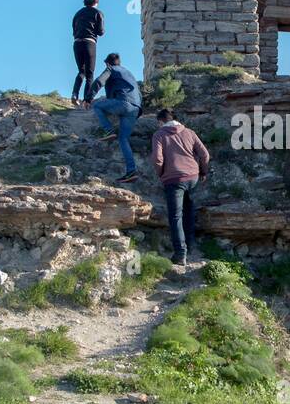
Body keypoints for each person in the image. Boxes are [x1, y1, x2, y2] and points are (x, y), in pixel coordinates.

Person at [150, 107, 209, 265]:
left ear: (161, 121)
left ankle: (180, 254)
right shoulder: (189, 132)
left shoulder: (159, 134)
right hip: (193, 177)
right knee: (189, 212)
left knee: (175, 216)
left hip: (174, 180)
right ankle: (190, 246)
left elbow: (157, 159)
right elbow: (204, 155)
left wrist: (162, 174)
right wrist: (203, 172)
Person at [86, 52, 142, 183]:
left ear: (107, 63)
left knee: (97, 106)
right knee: (123, 139)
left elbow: (99, 81)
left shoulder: (111, 69)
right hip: (136, 108)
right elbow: (138, 92)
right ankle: (131, 171)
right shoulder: (129, 73)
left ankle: (109, 130)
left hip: (123, 103)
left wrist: (88, 98)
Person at [70, 0, 105, 107]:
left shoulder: (77, 14)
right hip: (89, 43)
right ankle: (86, 101)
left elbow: (74, 30)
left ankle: (75, 94)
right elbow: (101, 31)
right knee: (90, 74)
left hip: (77, 43)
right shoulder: (97, 13)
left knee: (81, 71)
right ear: (96, 2)